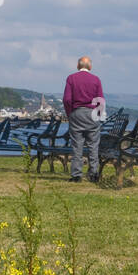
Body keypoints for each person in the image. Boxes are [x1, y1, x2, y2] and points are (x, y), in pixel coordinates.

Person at [62, 55, 104, 183]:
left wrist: (70, 114)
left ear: (78, 66)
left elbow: (67, 99)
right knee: (93, 145)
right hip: (92, 113)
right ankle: (94, 173)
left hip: (77, 113)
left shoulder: (71, 78)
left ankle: (76, 175)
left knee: (77, 145)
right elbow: (100, 100)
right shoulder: (96, 79)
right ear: (90, 66)